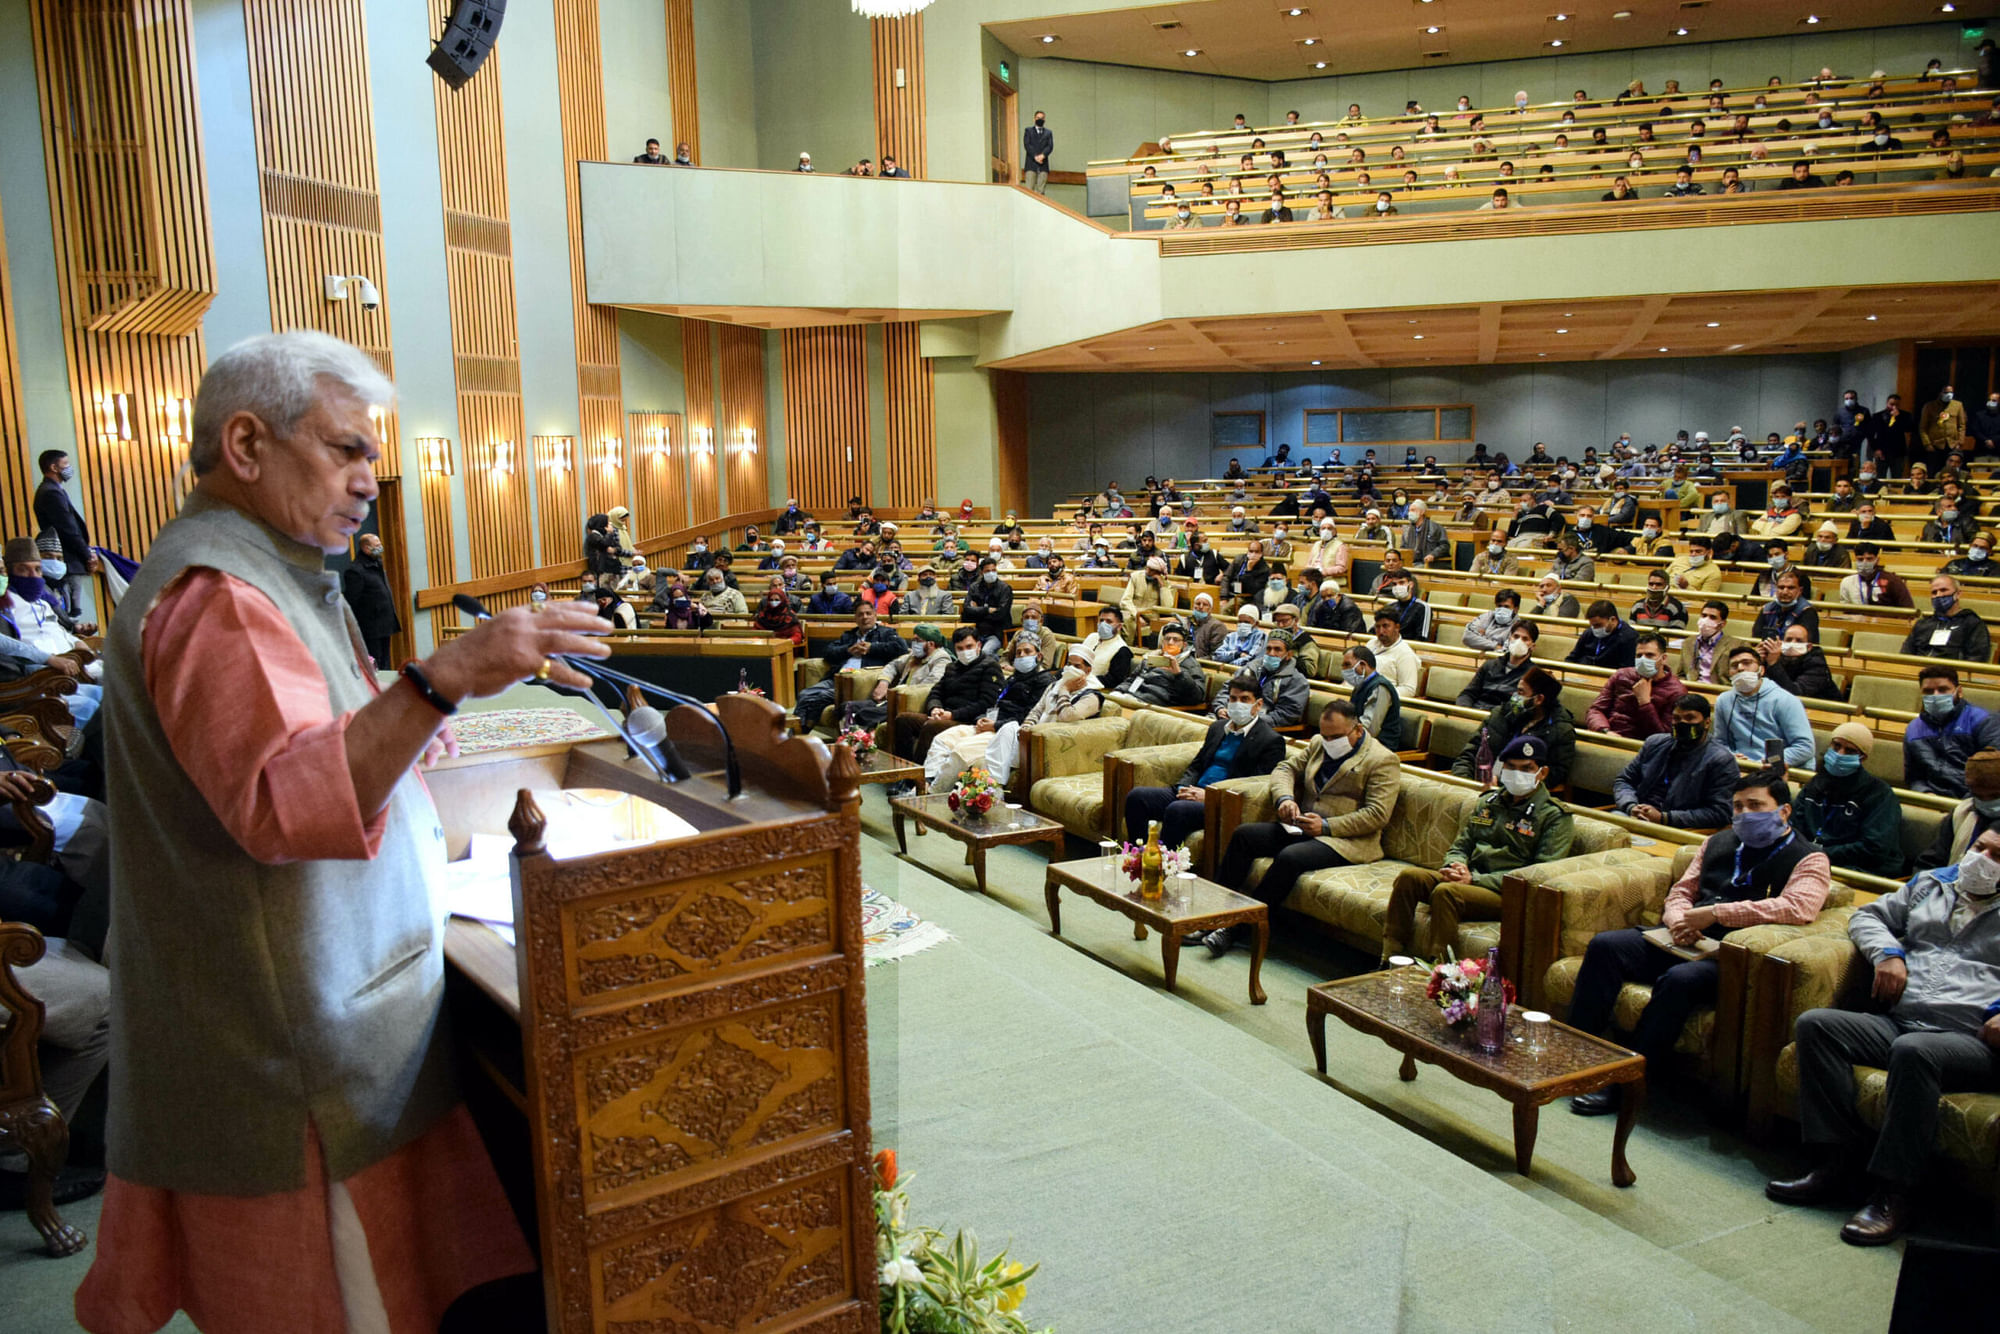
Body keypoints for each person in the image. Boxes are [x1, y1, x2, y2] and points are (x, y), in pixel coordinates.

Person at [72, 332, 607, 1330]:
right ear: (246, 443)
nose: (369, 478)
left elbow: (328, 739)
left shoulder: (277, 569)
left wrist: (421, 719)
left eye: (372, 454)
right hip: (290, 1056)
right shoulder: (221, 595)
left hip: (334, 1010)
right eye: (346, 449)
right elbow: (288, 801)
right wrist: (446, 675)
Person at [1767, 827, 2000, 1245]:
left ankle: (1894, 1192)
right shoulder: (1932, 883)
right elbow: (1867, 916)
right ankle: (1835, 1162)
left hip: (1970, 1038)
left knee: (1914, 1051)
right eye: (1979, 847)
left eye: (1996, 856)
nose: (1981, 859)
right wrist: (1887, 955)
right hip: (1902, 1018)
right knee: (1817, 1025)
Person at [1569, 773, 1831, 1117]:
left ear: (1783, 811)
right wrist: (1678, 919)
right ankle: (1577, 1056)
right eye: (1738, 806)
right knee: (1606, 946)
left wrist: (1716, 914)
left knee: (1679, 980)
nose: (1745, 814)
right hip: (1684, 937)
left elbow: (1798, 907)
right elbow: (1683, 890)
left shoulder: (1809, 858)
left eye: (1755, 805)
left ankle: (1627, 1084)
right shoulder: (1718, 842)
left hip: (1730, 955)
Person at [1208, 698, 1401, 954]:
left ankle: (1238, 927)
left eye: (1336, 737)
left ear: (1357, 729)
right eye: (1325, 735)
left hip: (1344, 840)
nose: (1329, 742)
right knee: (1244, 835)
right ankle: (1212, 914)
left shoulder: (1382, 760)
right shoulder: (1319, 744)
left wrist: (1327, 826)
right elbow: (1285, 769)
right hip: (1303, 825)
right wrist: (1285, 799)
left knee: (1290, 857)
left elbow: (1377, 814)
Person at [1384, 734, 1573, 961]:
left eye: (1526, 769)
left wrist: (1474, 880)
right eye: (1511, 767)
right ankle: (1391, 955)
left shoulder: (1554, 816)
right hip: (1469, 879)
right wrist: (1456, 866)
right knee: (1409, 878)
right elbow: (1462, 844)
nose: (1517, 774)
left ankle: (1440, 969)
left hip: (1506, 893)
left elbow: (1538, 875)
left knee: (1447, 892)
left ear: (1542, 773)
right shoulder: (1489, 802)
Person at [1124, 675, 1285, 850]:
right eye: (1233, 699)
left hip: (1221, 802)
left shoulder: (1270, 740)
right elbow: (1197, 764)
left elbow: (1254, 786)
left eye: (1244, 699)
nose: (1237, 704)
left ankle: (1165, 862)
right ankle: (1139, 855)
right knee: (1137, 797)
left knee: (1177, 810)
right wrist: (1184, 787)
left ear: (1258, 704)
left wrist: (1210, 796)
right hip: (1192, 791)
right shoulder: (1218, 727)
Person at [924, 633, 1057, 791]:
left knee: (961, 751)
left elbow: (1028, 717)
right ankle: (925, 783)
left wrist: (995, 725)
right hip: (988, 724)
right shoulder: (1013, 679)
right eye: (1018, 652)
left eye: (1027, 652)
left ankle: (933, 793)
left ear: (1039, 656)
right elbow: (994, 703)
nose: (1022, 656)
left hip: (1005, 733)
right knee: (942, 740)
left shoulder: (1044, 681)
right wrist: (982, 719)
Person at [1791, 723, 1904, 879]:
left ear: (1863, 757)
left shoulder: (1879, 794)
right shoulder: (1815, 784)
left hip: (1859, 870)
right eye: (1836, 746)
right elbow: (1794, 827)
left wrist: (1817, 853)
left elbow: (1874, 848)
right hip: (1812, 862)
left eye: (1850, 751)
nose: (1840, 754)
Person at [1612, 695, 1737, 830]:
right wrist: (1631, 806)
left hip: (1678, 828)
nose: (1682, 723)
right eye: (1676, 718)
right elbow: (1624, 781)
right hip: (1635, 816)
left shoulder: (1721, 760)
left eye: (1690, 718)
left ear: (1707, 723)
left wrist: (1664, 818)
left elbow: (1720, 812)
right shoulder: (1654, 744)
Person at [889, 626, 1001, 772]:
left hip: (967, 721)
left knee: (932, 726)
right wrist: (935, 708)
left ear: (978, 645)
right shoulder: (952, 667)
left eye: (969, 647)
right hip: (944, 715)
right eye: (960, 648)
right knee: (904, 720)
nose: (965, 651)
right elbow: (936, 691)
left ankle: (917, 777)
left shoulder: (990, 667)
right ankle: (902, 771)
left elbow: (986, 703)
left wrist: (953, 715)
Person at [1453, 667, 1575, 789]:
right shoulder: (1500, 714)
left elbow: (1552, 776)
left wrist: (1504, 788)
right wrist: (1464, 783)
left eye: (1521, 692)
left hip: (1516, 793)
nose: (1514, 695)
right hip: (1476, 785)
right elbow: (1469, 754)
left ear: (1539, 699)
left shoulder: (1560, 731)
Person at [832, 623, 949, 734]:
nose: (914, 643)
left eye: (917, 640)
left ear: (931, 644)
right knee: (846, 707)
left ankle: (859, 742)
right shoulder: (913, 656)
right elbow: (893, 665)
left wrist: (898, 691)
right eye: (913, 640)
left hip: (907, 703)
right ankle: (848, 741)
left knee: (864, 714)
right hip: (891, 700)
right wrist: (884, 682)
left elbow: (931, 684)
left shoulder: (941, 658)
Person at [1712, 644, 1815, 768]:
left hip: (1775, 767)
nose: (1740, 668)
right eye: (1734, 665)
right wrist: (1729, 756)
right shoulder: (1723, 700)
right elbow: (1720, 742)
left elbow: (1804, 747)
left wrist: (1768, 762)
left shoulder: (1785, 700)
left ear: (1761, 670)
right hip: (1738, 766)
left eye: (1747, 663)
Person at [1907, 665, 2000, 798]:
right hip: (1930, 799)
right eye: (1928, 691)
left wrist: (1963, 804)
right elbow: (1914, 776)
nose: (1935, 695)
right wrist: (1925, 793)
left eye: (1943, 689)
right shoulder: (1913, 729)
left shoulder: (1984, 721)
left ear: (1959, 692)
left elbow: (1992, 774)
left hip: (1974, 800)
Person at [33, 450, 98, 621]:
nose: (69, 468)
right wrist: (86, 554)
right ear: (54, 467)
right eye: (66, 464)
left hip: (68, 557)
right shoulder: (50, 492)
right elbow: (67, 528)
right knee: (70, 610)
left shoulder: (53, 489)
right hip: (66, 558)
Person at [1584, 631, 1684, 739]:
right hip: (1609, 735)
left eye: (1650, 655)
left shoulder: (1676, 691)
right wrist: (1604, 731)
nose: (1643, 660)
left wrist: (1645, 703)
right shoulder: (1621, 675)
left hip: (1641, 745)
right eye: (1639, 655)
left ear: (1663, 658)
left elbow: (1662, 737)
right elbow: (1596, 710)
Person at [1916, 749, 2000, 872]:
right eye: (1978, 796)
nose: (1987, 802)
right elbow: (1932, 861)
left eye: (1995, 796)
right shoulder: (1962, 813)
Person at [1227, 627, 1310, 729]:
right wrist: (1221, 708)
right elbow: (1227, 691)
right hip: (1235, 719)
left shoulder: (1297, 681)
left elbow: (1285, 715)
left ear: (1289, 655)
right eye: (1268, 648)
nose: (1271, 653)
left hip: (1265, 728)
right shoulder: (1251, 668)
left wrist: (1252, 720)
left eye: (1277, 649)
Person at [1903, 575, 1992, 660]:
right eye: (1934, 592)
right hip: (1918, 668)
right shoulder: (1922, 624)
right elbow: (1905, 653)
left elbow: (1977, 657)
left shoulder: (1972, 623)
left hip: (1951, 669)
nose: (1939, 595)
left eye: (1943, 590)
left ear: (1958, 594)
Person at [1120, 624, 1208, 709]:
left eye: (1175, 640)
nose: (1170, 642)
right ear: (1162, 642)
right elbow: (1132, 679)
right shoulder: (1152, 657)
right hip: (1132, 697)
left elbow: (1196, 697)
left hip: (1156, 706)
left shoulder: (1191, 665)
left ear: (1184, 645)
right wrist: (1119, 691)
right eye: (1167, 639)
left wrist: (1179, 674)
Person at [1459, 621, 1537, 710]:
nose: (1519, 641)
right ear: (1509, 639)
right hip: (1476, 711)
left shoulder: (1533, 675)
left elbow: (1519, 708)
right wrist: (1466, 711)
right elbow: (1468, 693)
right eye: (1516, 636)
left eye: (1525, 639)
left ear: (1532, 646)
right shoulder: (1490, 665)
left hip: (1500, 716)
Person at [1565, 599, 1638, 671]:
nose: (1595, 629)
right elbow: (1571, 658)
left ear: (1613, 620)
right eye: (1592, 625)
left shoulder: (1629, 637)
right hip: (1582, 672)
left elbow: (1626, 671)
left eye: (1598, 625)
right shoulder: (1589, 633)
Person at [1362, 607, 1421, 696]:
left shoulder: (1406, 654)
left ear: (1397, 627)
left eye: (1385, 626)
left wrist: (1381, 694)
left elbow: (1408, 690)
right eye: (1377, 627)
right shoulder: (1371, 644)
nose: (1381, 631)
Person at [1399, 500, 1449, 567]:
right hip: (1410, 562)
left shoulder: (1435, 527)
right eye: (1409, 511)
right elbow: (1403, 548)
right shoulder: (1407, 530)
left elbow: (1444, 546)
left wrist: (1433, 555)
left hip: (1429, 563)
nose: (1410, 513)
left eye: (1413, 510)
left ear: (1422, 512)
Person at [1023, 109, 1053, 193]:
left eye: (1042, 118)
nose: (1040, 119)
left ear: (1044, 119)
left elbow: (1050, 146)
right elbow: (1027, 144)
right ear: (1034, 119)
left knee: (1041, 191)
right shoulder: (1028, 131)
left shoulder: (1048, 133)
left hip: (1043, 165)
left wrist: (1042, 155)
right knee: (1029, 190)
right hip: (1031, 164)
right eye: (1038, 117)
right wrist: (1035, 156)